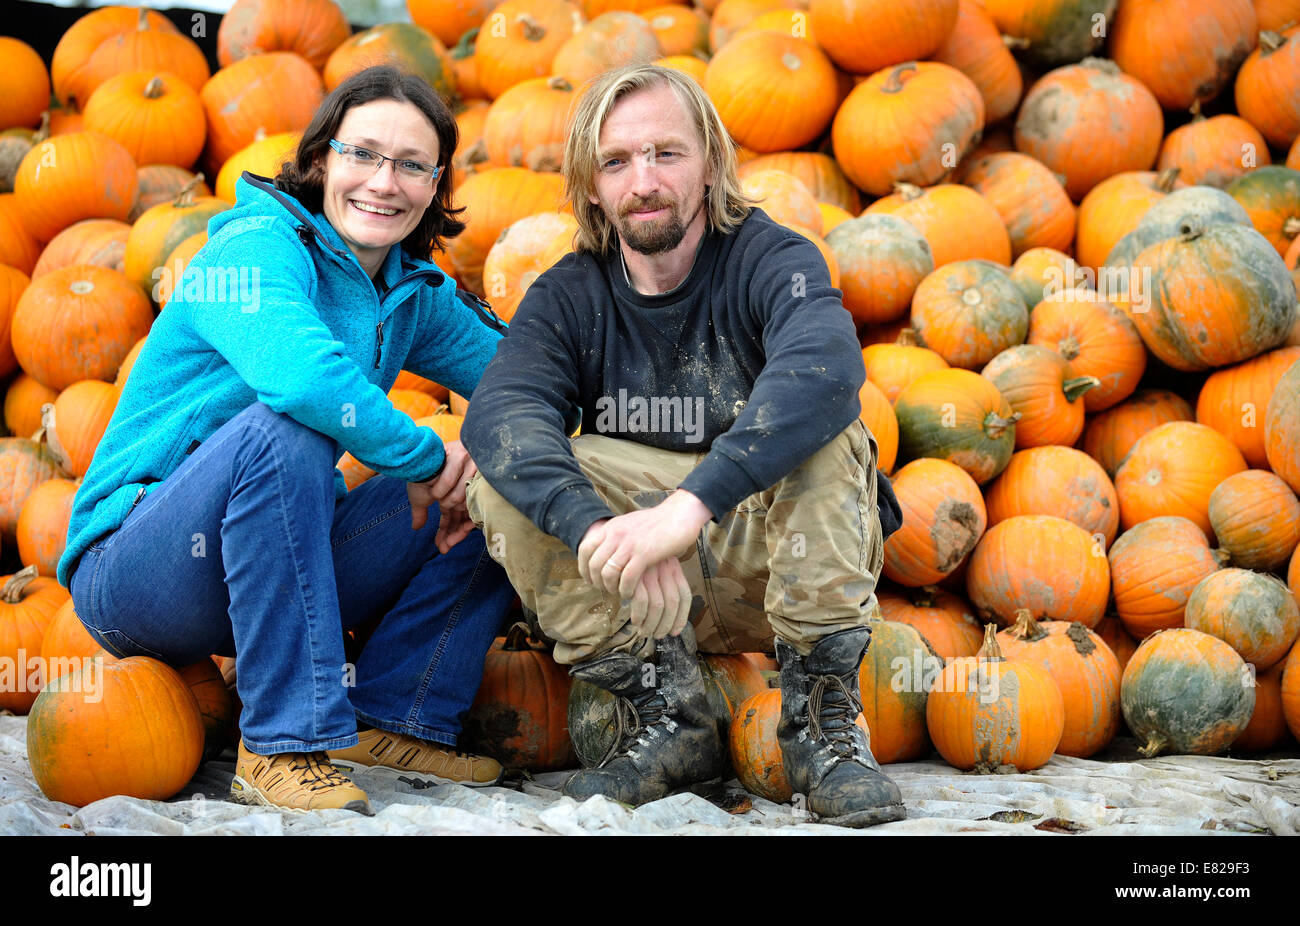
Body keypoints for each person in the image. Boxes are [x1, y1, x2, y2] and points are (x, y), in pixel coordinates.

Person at [58, 66, 517, 816]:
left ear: (435, 187)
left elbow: (521, 375)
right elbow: (302, 378)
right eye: (362, 154)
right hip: (139, 568)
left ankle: (394, 713)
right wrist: (432, 456)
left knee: (507, 470)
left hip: (277, 559)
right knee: (294, 424)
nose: (383, 181)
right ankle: (279, 743)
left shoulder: (409, 291)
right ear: (321, 160)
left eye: (410, 165)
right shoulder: (250, 250)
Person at [461, 64, 906, 828]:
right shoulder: (570, 294)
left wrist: (692, 505)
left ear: (710, 164)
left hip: (780, 568)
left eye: (667, 153)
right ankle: (668, 714)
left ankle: (819, 727)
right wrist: (596, 527)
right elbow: (502, 411)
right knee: (497, 474)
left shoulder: (774, 259)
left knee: (828, 429)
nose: (644, 180)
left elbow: (825, 367)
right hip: (645, 586)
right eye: (617, 161)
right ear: (591, 185)